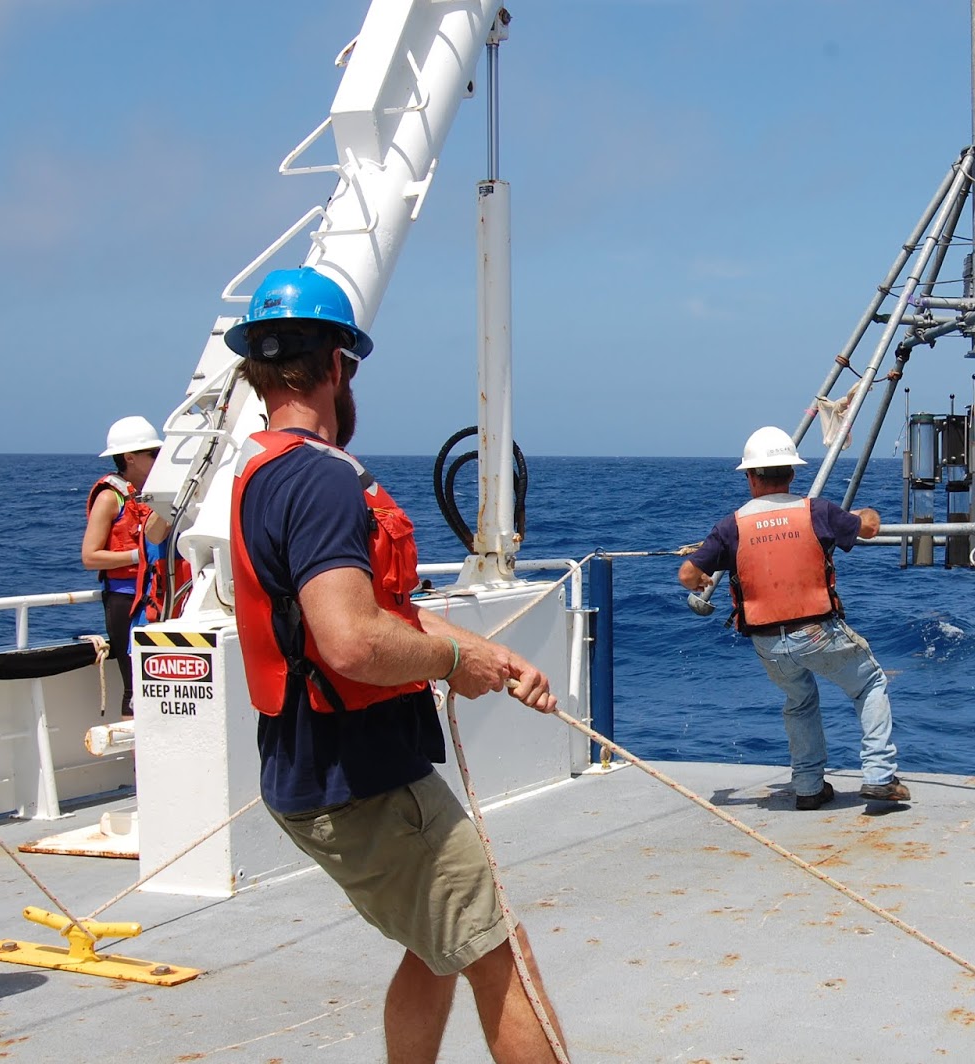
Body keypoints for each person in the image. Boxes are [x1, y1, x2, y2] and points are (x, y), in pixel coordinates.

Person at [224, 266, 567, 1064]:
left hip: (319, 770)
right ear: (339, 365)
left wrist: (476, 651)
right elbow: (348, 641)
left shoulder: (263, 473)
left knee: (438, 944)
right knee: (495, 951)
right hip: (363, 781)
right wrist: (452, 659)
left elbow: (352, 619)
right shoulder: (317, 480)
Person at [678, 426, 908, 810]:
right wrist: (865, 512)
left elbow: (687, 573)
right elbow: (867, 528)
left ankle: (808, 787)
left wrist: (701, 577)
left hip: (767, 641)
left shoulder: (731, 526)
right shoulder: (816, 512)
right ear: (792, 474)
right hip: (817, 630)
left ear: (750, 477)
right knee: (870, 684)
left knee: (800, 702)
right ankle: (880, 777)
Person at [81, 416, 170, 716]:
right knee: (135, 685)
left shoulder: (161, 492)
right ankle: (136, 761)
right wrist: (138, 557)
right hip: (125, 599)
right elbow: (90, 556)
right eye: (153, 453)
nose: (159, 458)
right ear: (130, 458)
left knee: (161, 683)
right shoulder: (109, 498)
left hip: (159, 596)